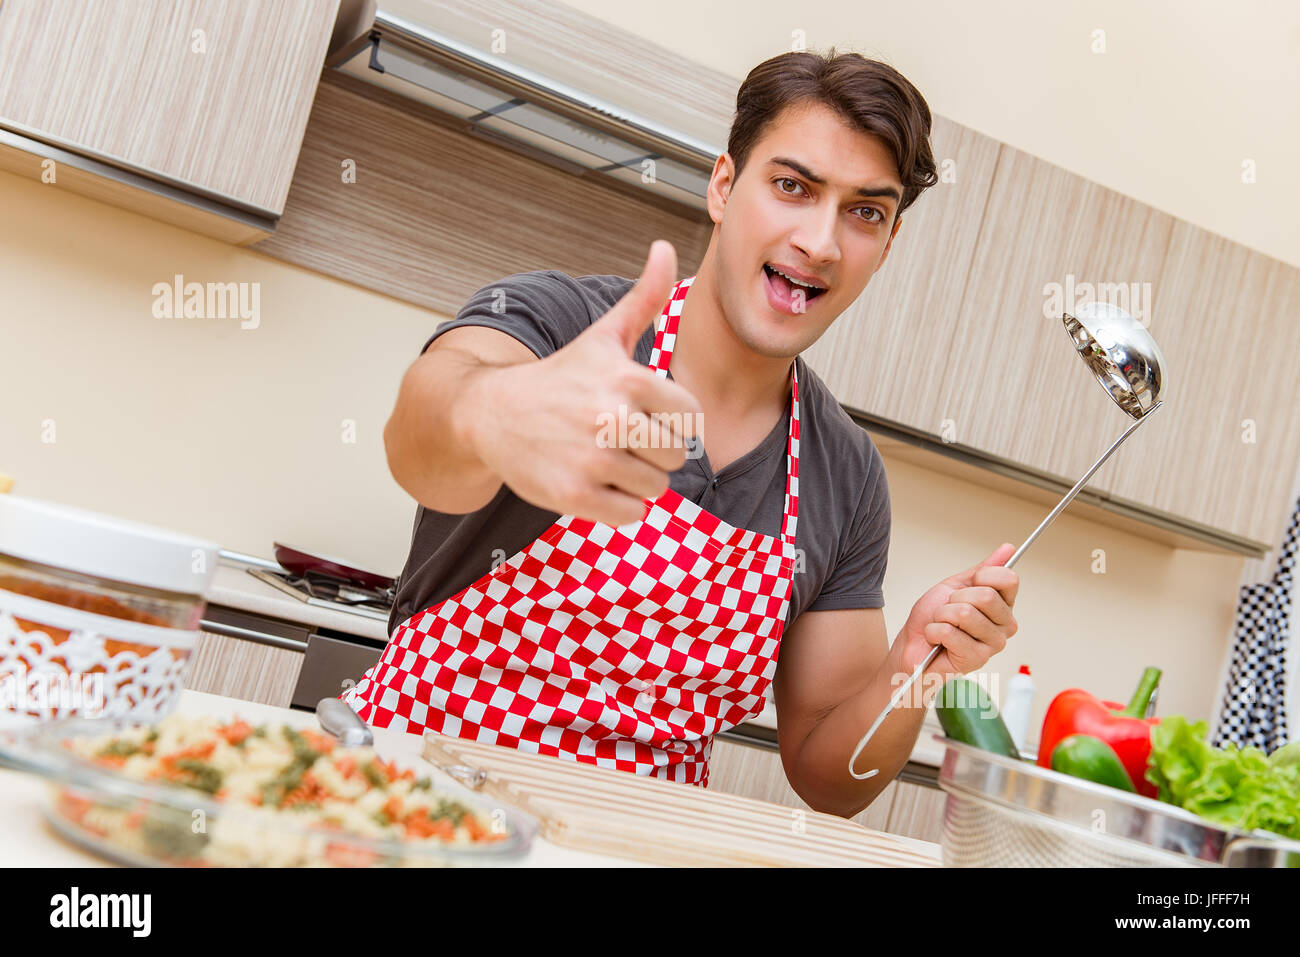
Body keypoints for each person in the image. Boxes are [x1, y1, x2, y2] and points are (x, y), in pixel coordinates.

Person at [344, 49, 1019, 818]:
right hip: (408, 806)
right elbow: (419, 441)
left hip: (634, 847)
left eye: (866, 211)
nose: (822, 241)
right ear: (725, 187)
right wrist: (495, 411)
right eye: (793, 186)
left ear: (888, 244)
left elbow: (829, 778)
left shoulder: (846, 475)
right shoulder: (562, 322)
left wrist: (915, 664)